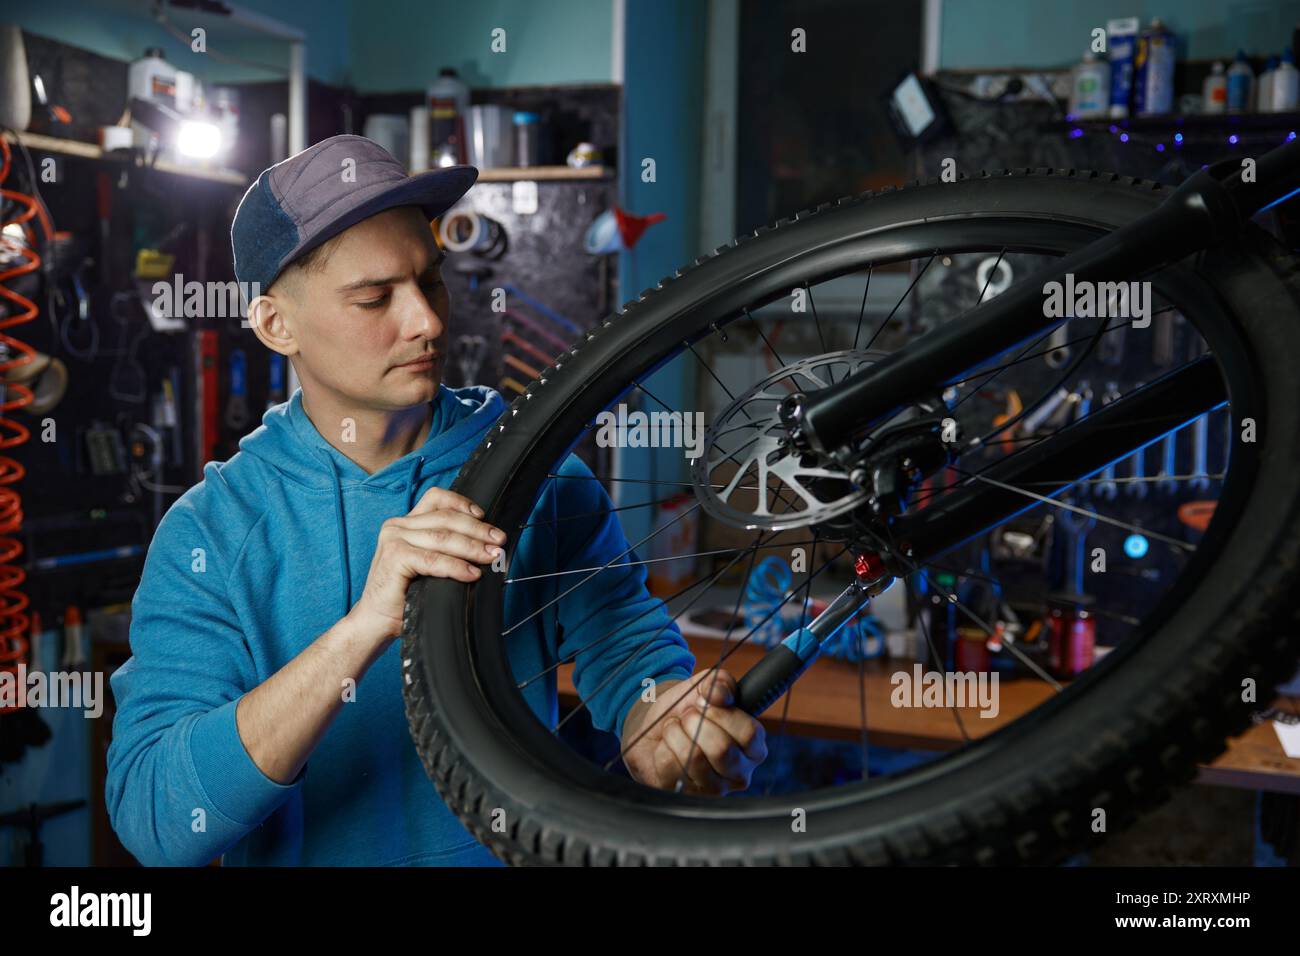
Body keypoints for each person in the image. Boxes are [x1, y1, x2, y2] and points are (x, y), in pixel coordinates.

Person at [105, 135, 766, 866]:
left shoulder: (537, 478)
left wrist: (664, 723)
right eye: (375, 297)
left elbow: (631, 657)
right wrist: (362, 631)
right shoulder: (212, 533)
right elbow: (158, 823)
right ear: (275, 325)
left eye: (431, 281)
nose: (427, 321)